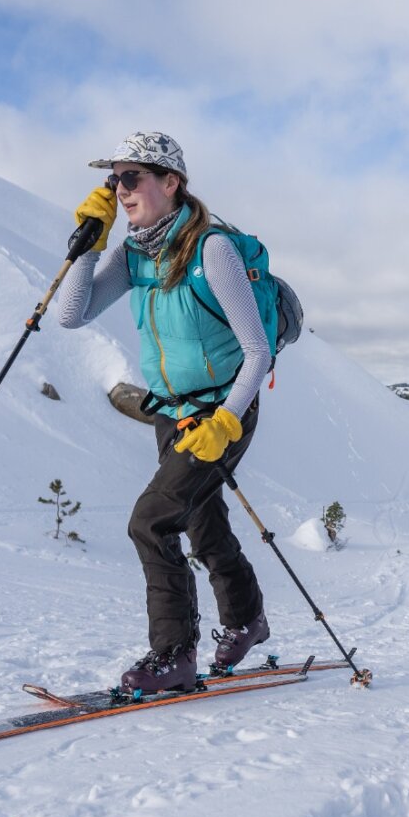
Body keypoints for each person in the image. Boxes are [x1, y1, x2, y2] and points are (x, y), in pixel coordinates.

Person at [60, 132, 273, 692]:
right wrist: (91, 243)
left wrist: (226, 421)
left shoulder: (211, 250)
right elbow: (71, 313)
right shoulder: (134, 254)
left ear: (171, 182)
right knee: (200, 519)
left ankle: (174, 654)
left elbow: (258, 351)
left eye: (131, 177)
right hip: (171, 414)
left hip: (224, 409)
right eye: (113, 180)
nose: (120, 189)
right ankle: (247, 620)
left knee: (150, 521)